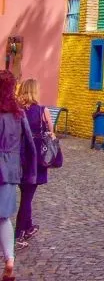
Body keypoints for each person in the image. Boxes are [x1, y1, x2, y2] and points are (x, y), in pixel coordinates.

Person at [0, 71, 36, 280]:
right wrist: (30, 172)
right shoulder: (19, 114)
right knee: (3, 217)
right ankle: (10, 260)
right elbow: (30, 144)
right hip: (12, 170)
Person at [14, 79, 53, 246]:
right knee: (27, 198)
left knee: (25, 193)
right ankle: (19, 234)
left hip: (18, 158)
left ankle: (28, 227)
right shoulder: (43, 111)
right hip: (35, 160)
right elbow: (52, 134)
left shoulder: (16, 111)